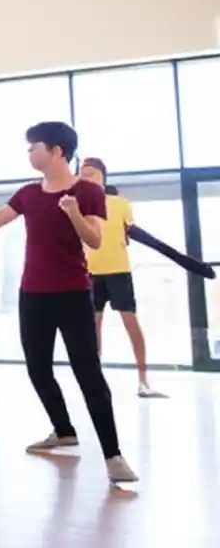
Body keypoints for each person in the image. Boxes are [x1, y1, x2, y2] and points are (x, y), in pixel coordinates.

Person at [0, 121, 136, 484]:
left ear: (56, 151)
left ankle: (113, 455)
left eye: (33, 146)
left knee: (88, 372)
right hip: (33, 295)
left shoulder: (88, 192)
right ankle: (63, 430)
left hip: (73, 294)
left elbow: (95, 239)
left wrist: (72, 212)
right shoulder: (27, 193)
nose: (29, 153)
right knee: (38, 369)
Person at [78, 158, 166, 399]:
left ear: (103, 178)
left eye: (92, 173)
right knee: (93, 327)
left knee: (131, 323)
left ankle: (143, 381)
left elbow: (128, 234)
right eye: (83, 174)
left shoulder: (119, 203)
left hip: (118, 271)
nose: (87, 178)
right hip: (91, 273)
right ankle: (95, 381)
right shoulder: (79, 205)